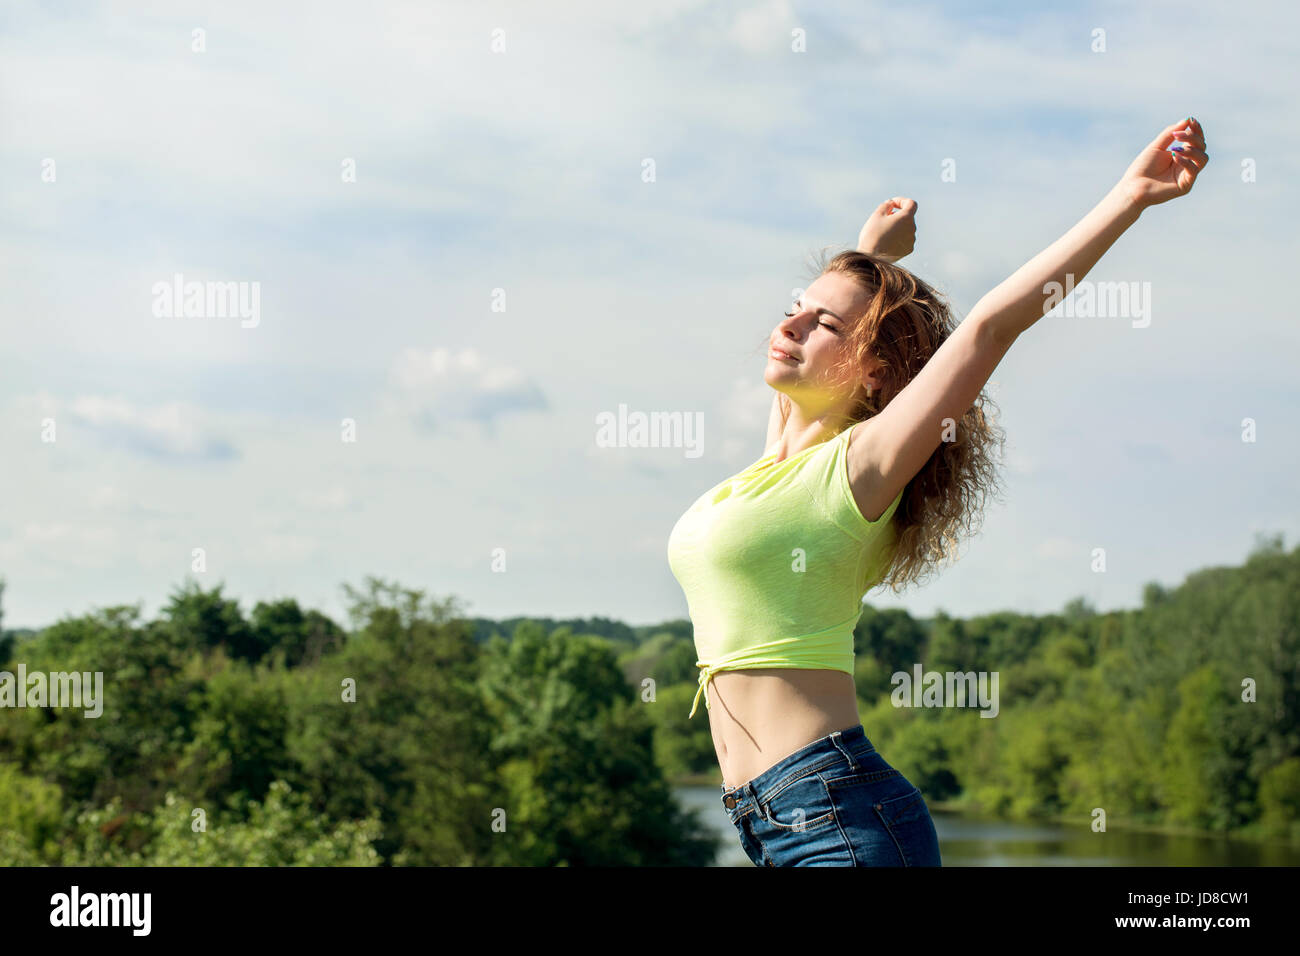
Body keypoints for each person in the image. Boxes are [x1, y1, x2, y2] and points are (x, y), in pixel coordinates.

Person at [666, 117, 1208, 866]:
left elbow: (988, 327)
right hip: (767, 823)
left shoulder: (860, 468)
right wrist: (870, 256)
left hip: (834, 820)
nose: (789, 323)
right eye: (796, 304)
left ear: (877, 371)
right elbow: (806, 392)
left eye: (821, 323)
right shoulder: (774, 469)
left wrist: (1131, 196)